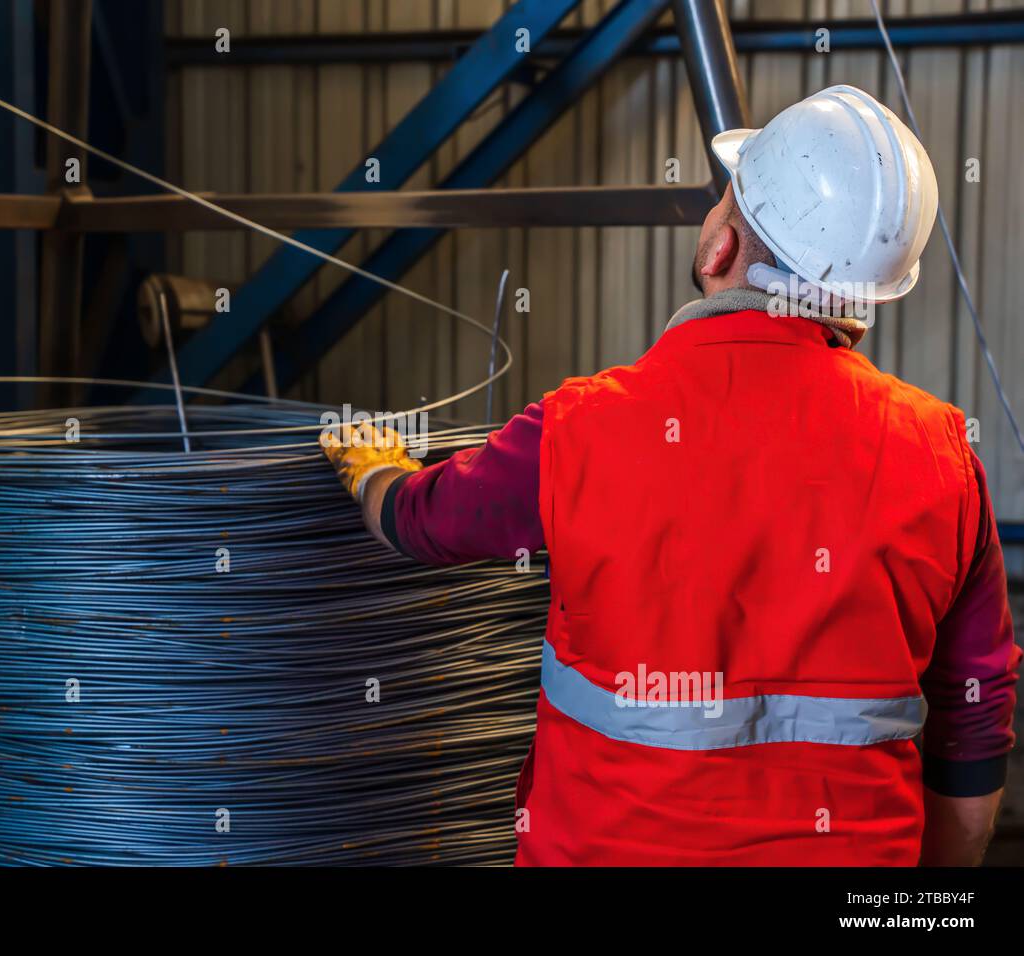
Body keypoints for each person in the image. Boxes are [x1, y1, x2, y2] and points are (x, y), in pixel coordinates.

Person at [319, 85, 1019, 866]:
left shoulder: (582, 427)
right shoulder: (941, 456)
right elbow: (974, 715)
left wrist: (374, 470)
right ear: (860, 304)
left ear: (721, 248)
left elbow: (422, 522)